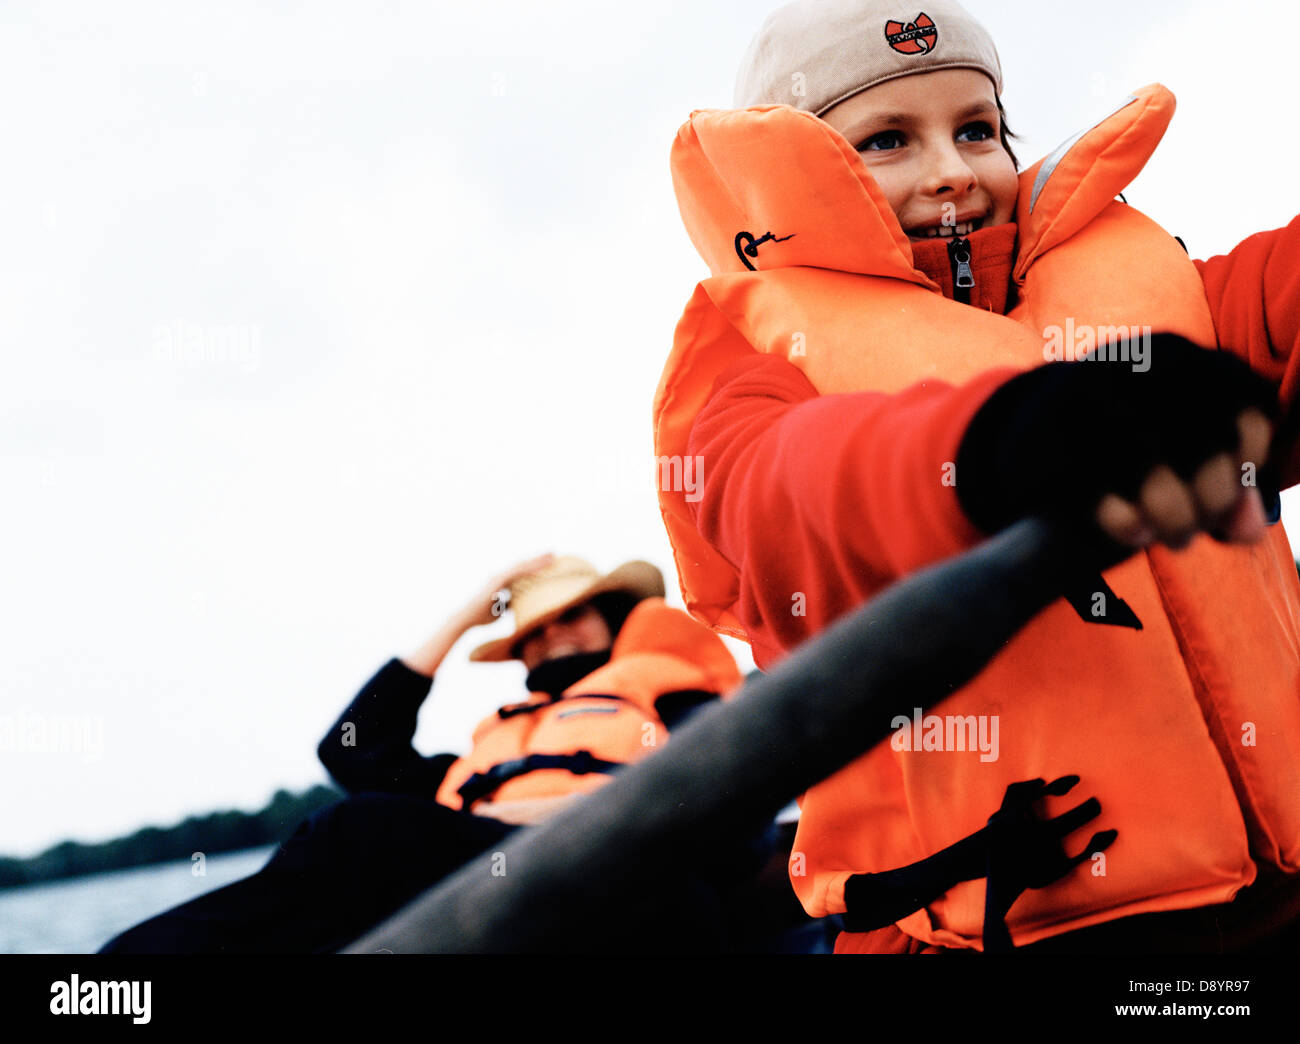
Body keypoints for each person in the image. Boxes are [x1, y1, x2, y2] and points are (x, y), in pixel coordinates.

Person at [653, 0, 1300, 952]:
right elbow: (777, 501)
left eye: (976, 129)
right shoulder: (756, 365)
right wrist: (995, 447)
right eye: (885, 141)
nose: (952, 170)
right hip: (996, 926)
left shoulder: (1162, 289)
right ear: (795, 180)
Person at [99, 554, 752, 953]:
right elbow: (353, 748)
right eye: (533, 631)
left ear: (615, 615)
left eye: (573, 615)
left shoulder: (666, 693)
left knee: (357, 829)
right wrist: (471, 613)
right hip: (489, 889)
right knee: (341, 862)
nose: (552, 637)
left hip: (632, 893)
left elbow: (712, 790)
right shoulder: (486, 757)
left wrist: (519, 823)